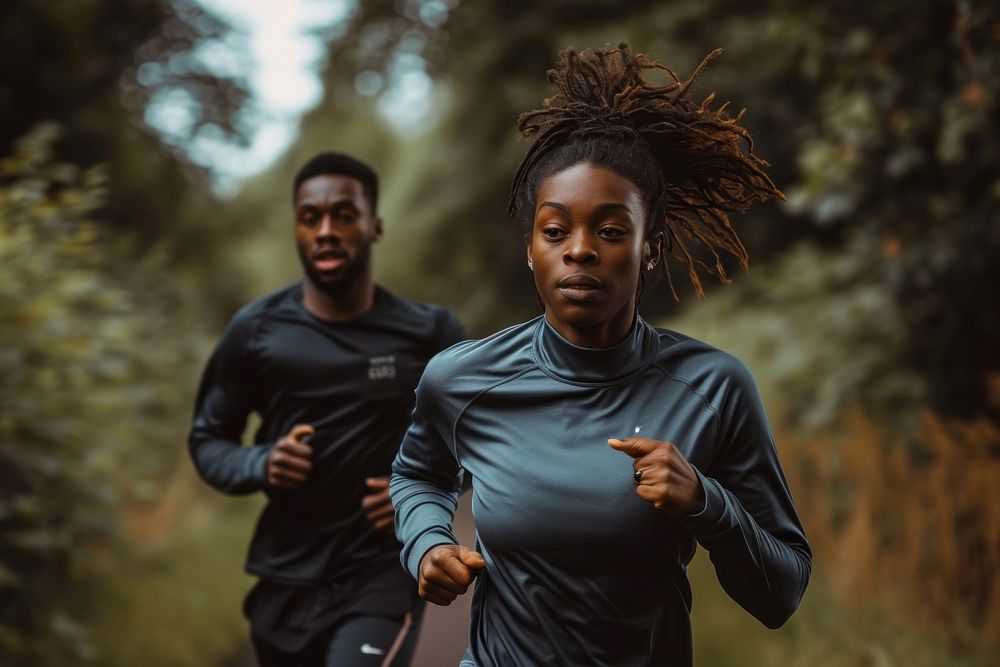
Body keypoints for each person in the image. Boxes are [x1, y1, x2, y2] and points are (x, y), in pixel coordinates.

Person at [389, 43, 811, 666]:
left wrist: (706, 503)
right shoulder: (463, 378)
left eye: (610, 231)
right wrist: (427, 543)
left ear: (650, 247)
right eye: (555, 231)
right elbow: (417, 473)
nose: (579, 250)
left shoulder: (712, 388)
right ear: (531, 248)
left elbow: (782, 592)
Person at [188, 152, 465, 667]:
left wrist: (419, 497)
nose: (326, 230)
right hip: (284, 578)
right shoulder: (256, 332)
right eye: (310, 217)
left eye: (344, 214)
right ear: (296, 228)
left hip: (378, 575)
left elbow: (479, 443)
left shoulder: (429, 334)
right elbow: (208, 439)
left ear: (374, 225)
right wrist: (262, 462)